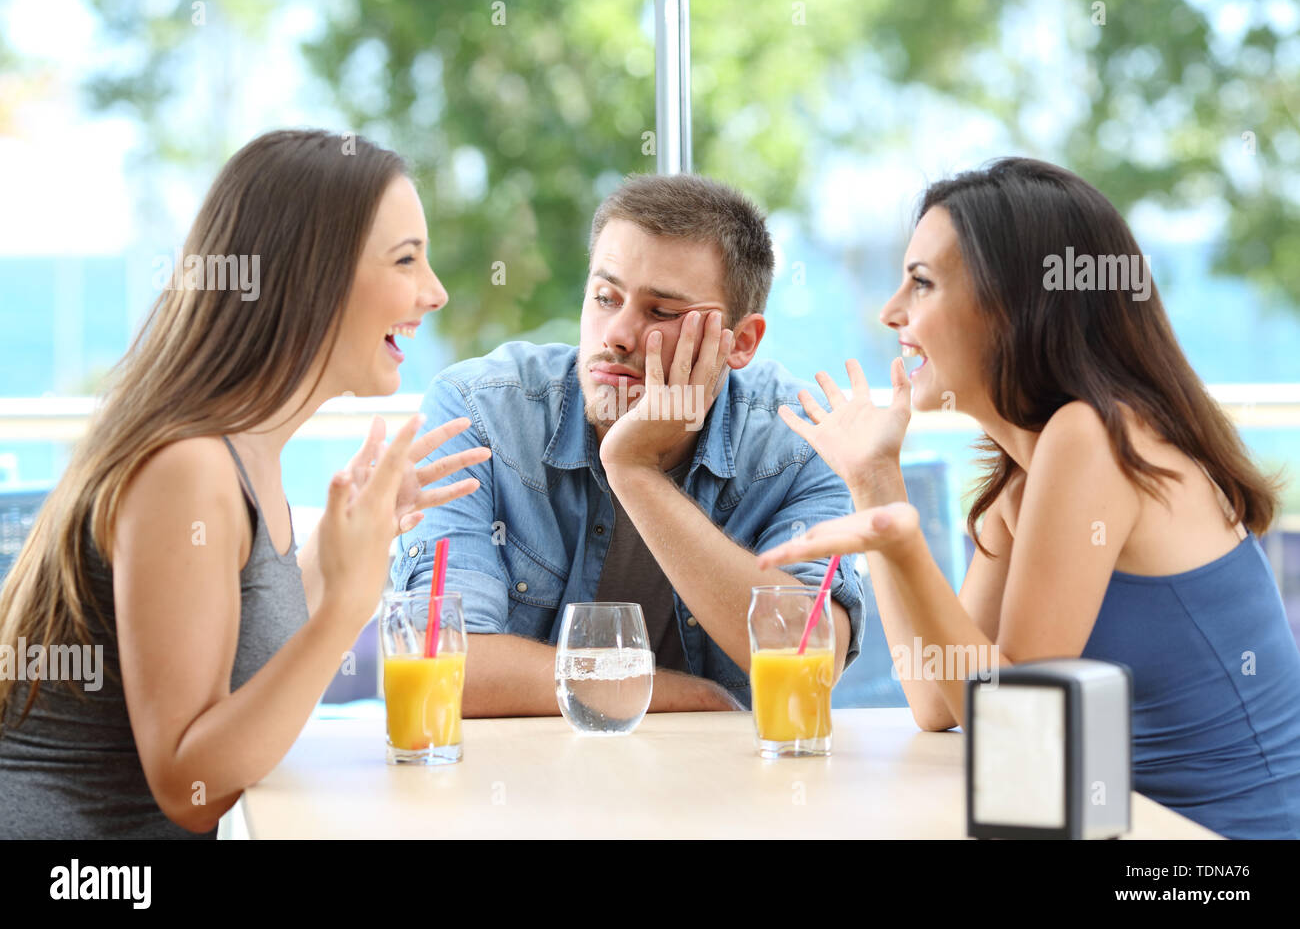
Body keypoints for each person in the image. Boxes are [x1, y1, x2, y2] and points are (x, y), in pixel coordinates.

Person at [756, 157, 1300, 839]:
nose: (891, 312)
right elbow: (937, 700)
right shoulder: (1029, 471)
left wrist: (900, 541)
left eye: (921, 284)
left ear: (1014, 303)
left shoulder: (1095, 437)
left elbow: (1019, 723)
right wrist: (874, 481)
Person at [0, 129, 489, 837]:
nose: (434, 292)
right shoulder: (189, 468)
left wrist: (345, 554)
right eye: (406, 259)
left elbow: (253, 664)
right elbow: (190, 787)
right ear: (309, 277)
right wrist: (348, 600)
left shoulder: (246, 450)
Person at [391, 173, 866, 716]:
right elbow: (441, 665)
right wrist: (688, 697)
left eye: (662, 312)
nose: (617, 334)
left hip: (724, 794)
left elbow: (812, 658)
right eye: (605, 297)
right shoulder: (480, 412)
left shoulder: (799, 439)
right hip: (525, 788)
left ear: (741, 342)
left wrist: (633, 469)